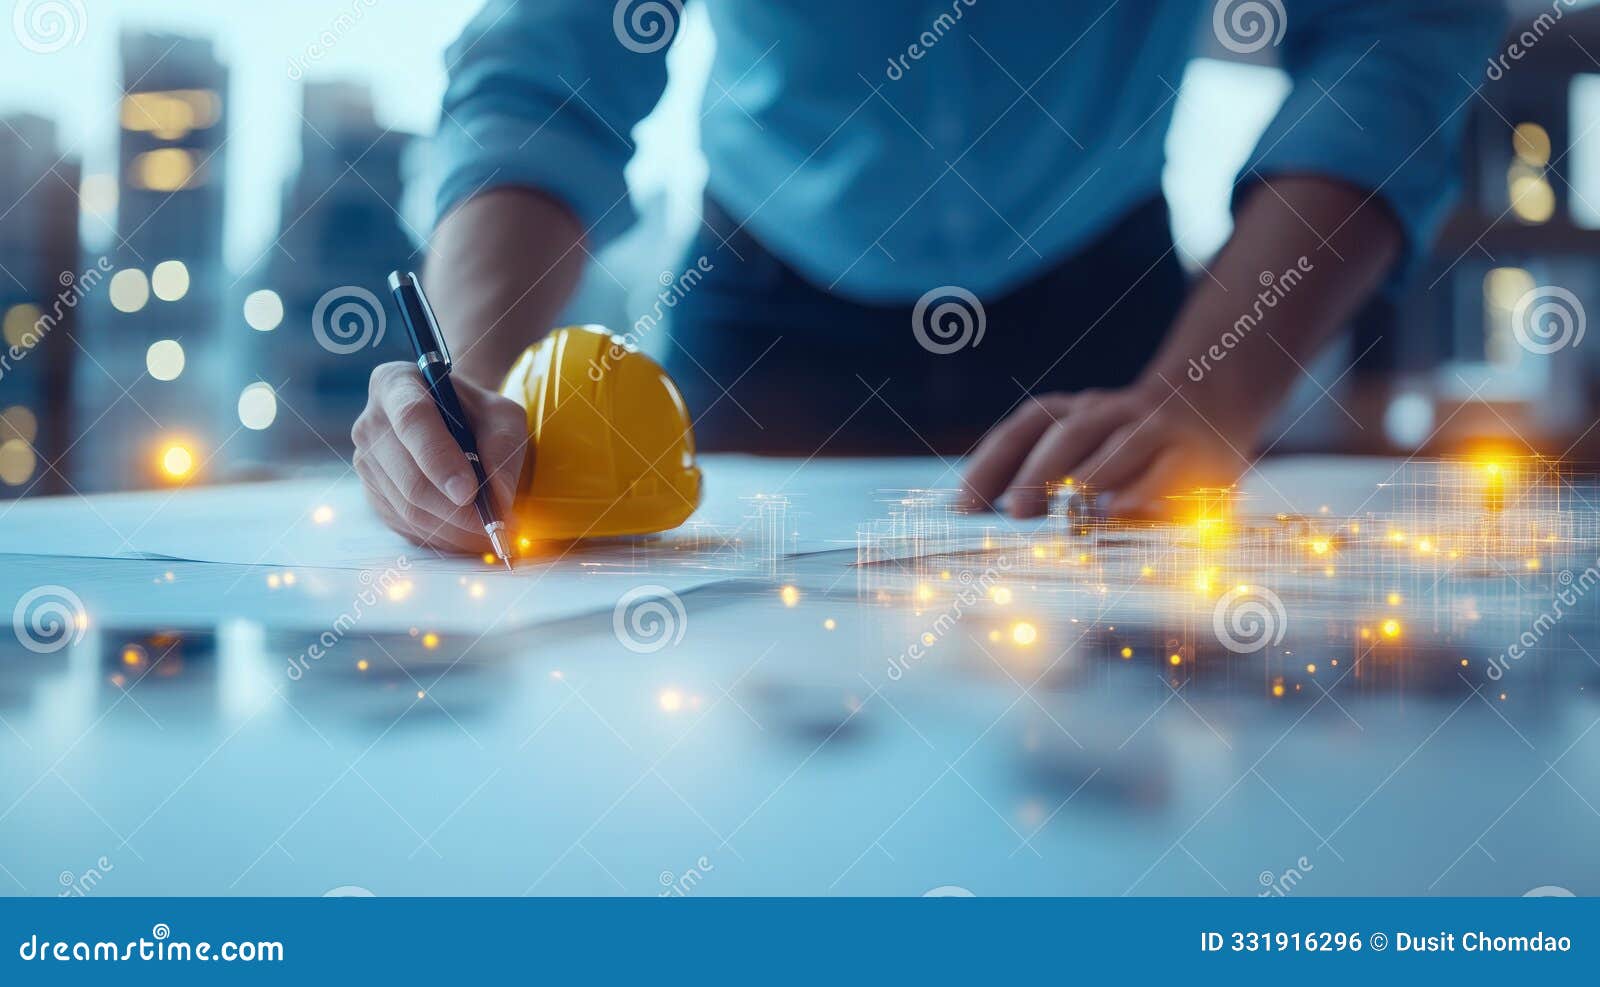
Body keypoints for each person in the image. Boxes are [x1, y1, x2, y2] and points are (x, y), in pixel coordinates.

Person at [352, 0, 1502, 553]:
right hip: (762, 311)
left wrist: (1211, 392)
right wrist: (475, 389)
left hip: (1123, 323)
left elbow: (1395, 35)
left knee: (1123, 753)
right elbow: (548, 68)